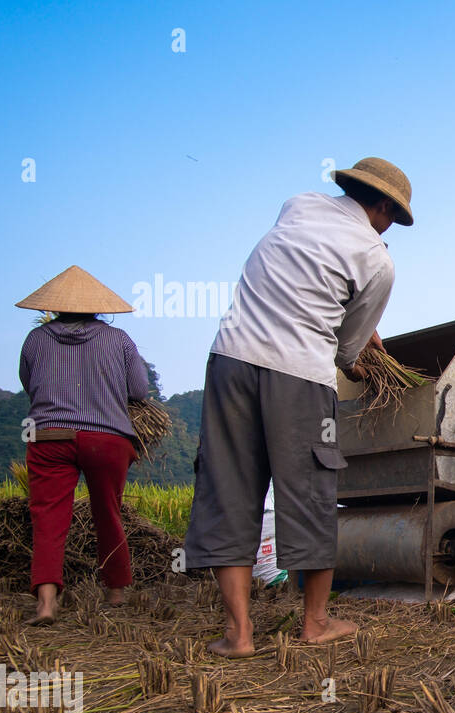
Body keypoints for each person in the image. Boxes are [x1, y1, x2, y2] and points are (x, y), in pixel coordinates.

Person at [184, 157, 412, 658]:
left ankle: (239, 634)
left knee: (230, 487)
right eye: (393, 216)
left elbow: (298, 274)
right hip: (300, 374)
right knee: (310, 489)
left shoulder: (299, 205)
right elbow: (348, 349)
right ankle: (315, 623)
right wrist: (361, 365)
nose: (390, 226)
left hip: (231, 359)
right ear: (383, 207)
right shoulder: (379, 260)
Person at [16, 266, 150, 624]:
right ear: (98, 307)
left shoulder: (36, 340)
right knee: (108, 512)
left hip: (49, 437)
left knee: (47, 519)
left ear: (54, 306)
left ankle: (46, 602)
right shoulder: (119, 339)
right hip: (106, 438)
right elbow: (139, 391)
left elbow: (30, 385)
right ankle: (116, 591)